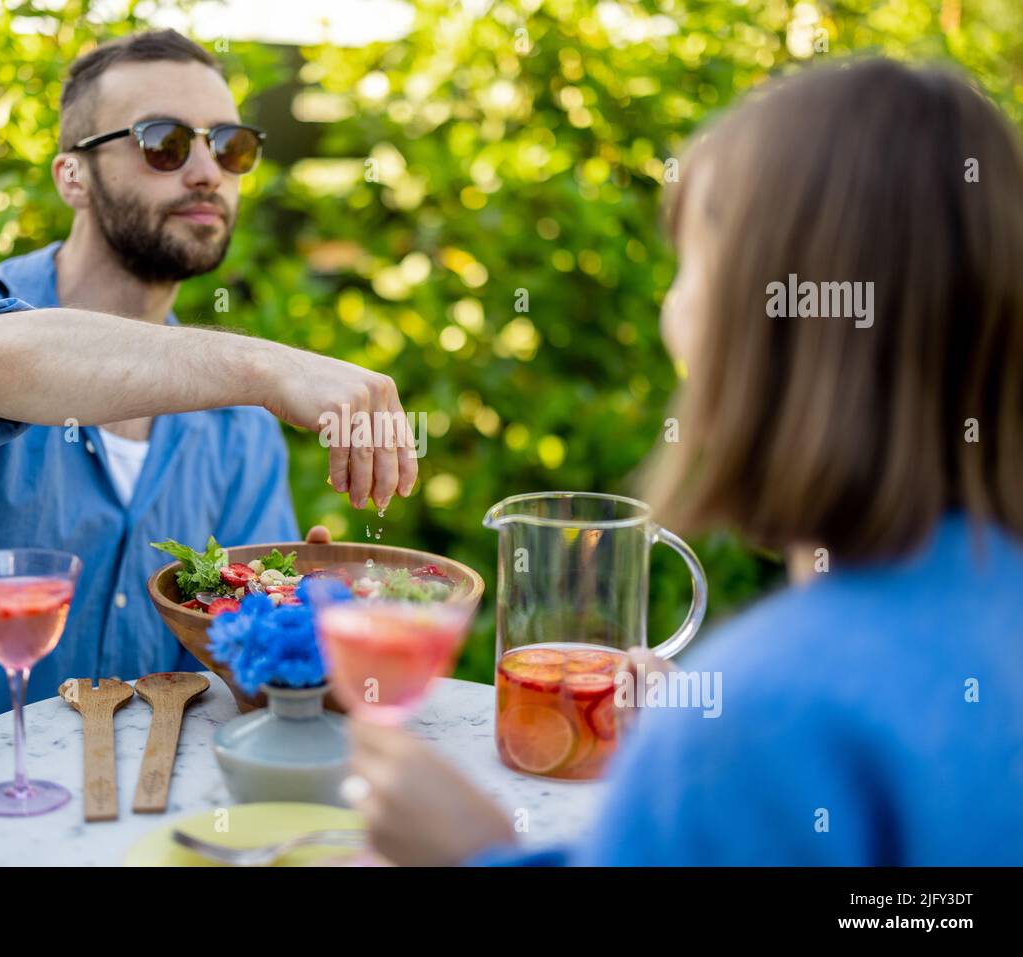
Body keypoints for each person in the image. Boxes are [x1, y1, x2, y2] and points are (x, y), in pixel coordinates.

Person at [346, 58, 1023, 866]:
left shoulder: (769, 712)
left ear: (766, 329)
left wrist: (474, 854)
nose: (671, 308)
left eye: (690, 263)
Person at [0, 29, 417, 866]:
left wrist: (291, 639)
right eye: (165, 142)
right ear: (71, 172)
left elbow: (235, 687)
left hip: (149, 844)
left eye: (230, 144)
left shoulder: (240, 427)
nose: (207, 169)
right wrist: (262, 363)